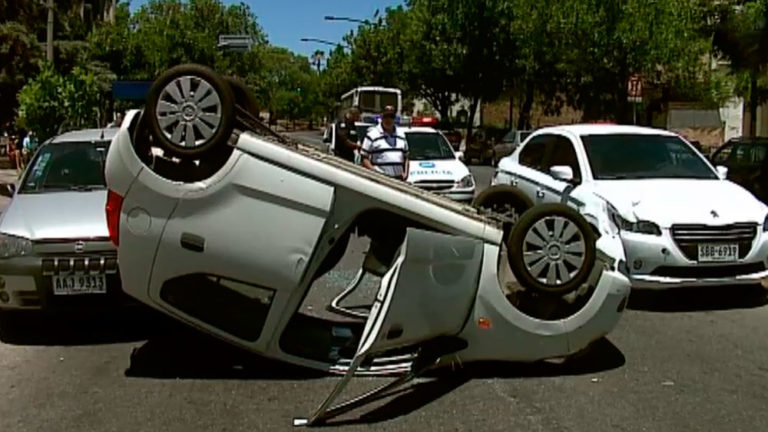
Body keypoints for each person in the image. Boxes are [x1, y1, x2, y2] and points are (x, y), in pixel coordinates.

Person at [360, 105, 409, 180]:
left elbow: (406, 157)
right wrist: (374, 172)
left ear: (394, 118)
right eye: (386, 116)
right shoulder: (372, 135)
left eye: (391, 116)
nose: (388, 119)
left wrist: (405, 173)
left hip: (399, 180)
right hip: (381, 180)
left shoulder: (401, 135)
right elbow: (364, 158)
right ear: (382, 117)